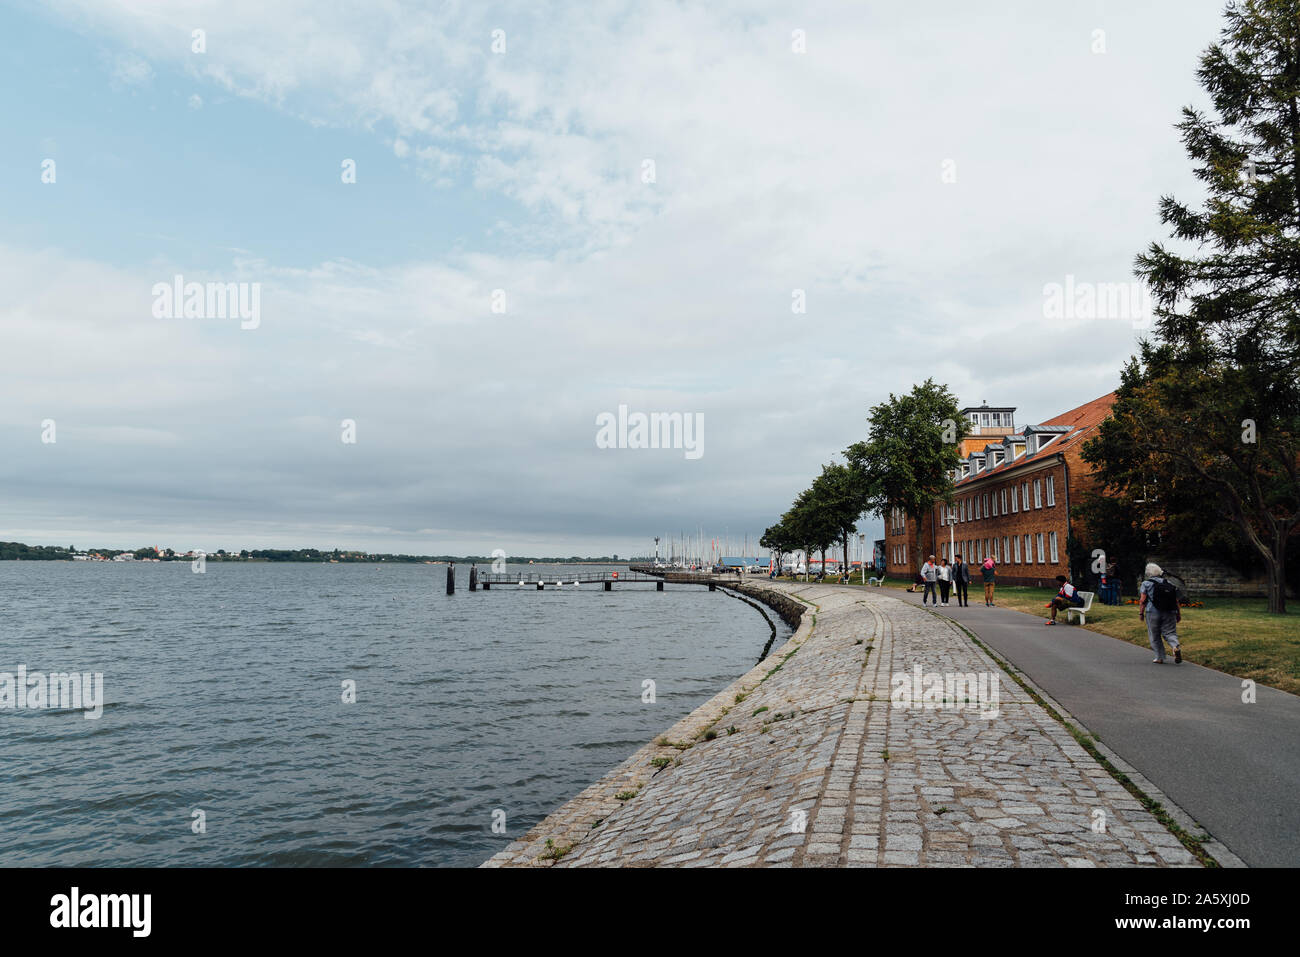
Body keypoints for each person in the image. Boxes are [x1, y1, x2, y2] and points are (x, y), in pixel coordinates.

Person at [1139, 562, 1182, 664]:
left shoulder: (1146, 584)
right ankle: (1175, 646)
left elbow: (1142, 600)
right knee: (1170, 632)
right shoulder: (1169, 583)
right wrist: (1178, 613)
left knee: (1154, 635)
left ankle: (1159, 657)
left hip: (1152, 612)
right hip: (1170, 611)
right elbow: (1176, 601)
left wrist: (1141, 613)